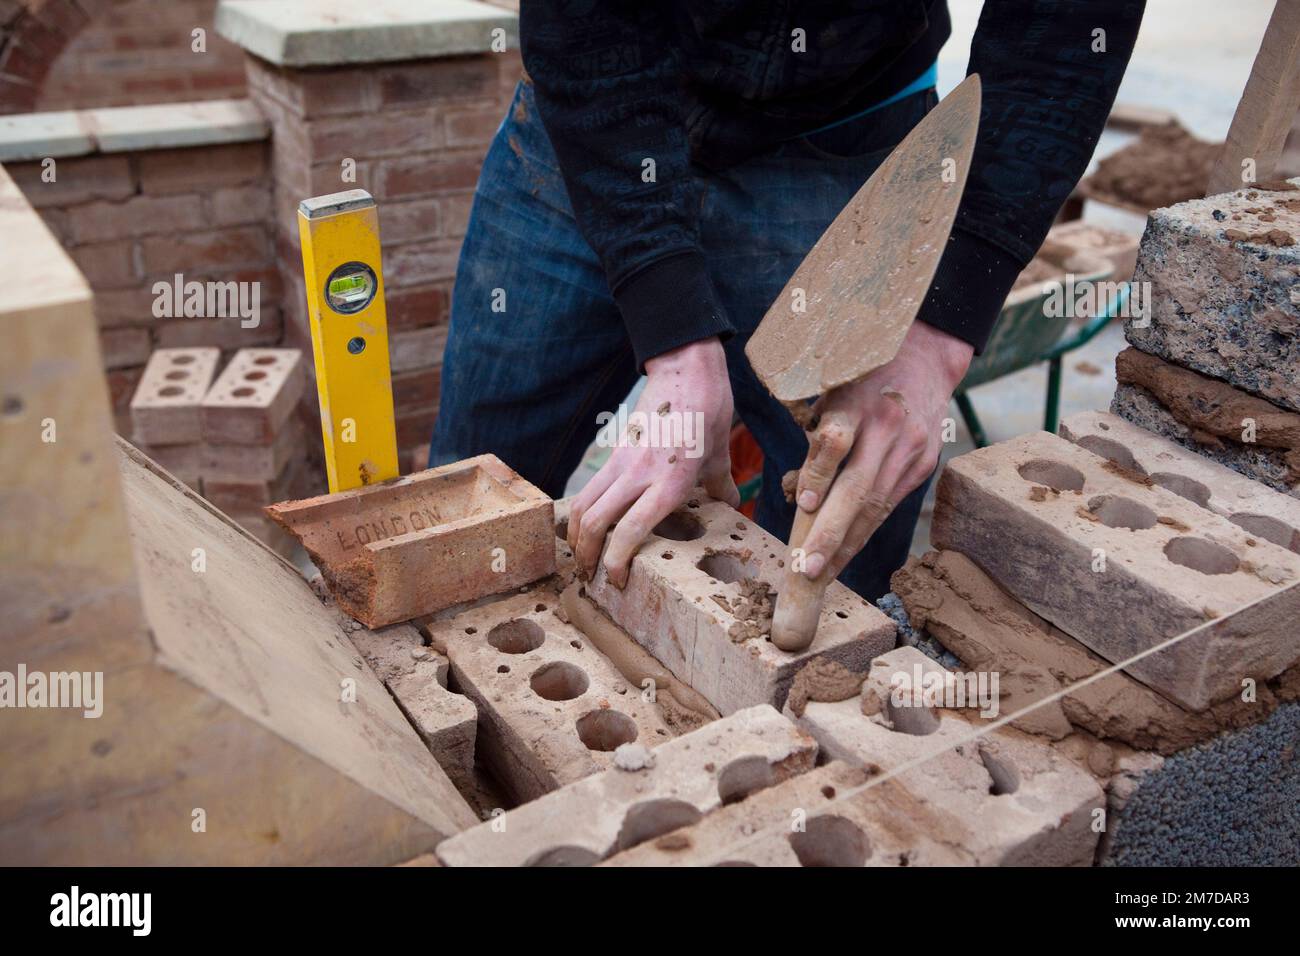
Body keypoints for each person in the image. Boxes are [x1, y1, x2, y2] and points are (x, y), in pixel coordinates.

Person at [431, 1, 1144, 601]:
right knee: (458, 506)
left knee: (843, 527)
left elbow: (1068, 28)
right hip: (598, 119)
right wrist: (677, 339)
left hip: (850, 146)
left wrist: (939, 333)